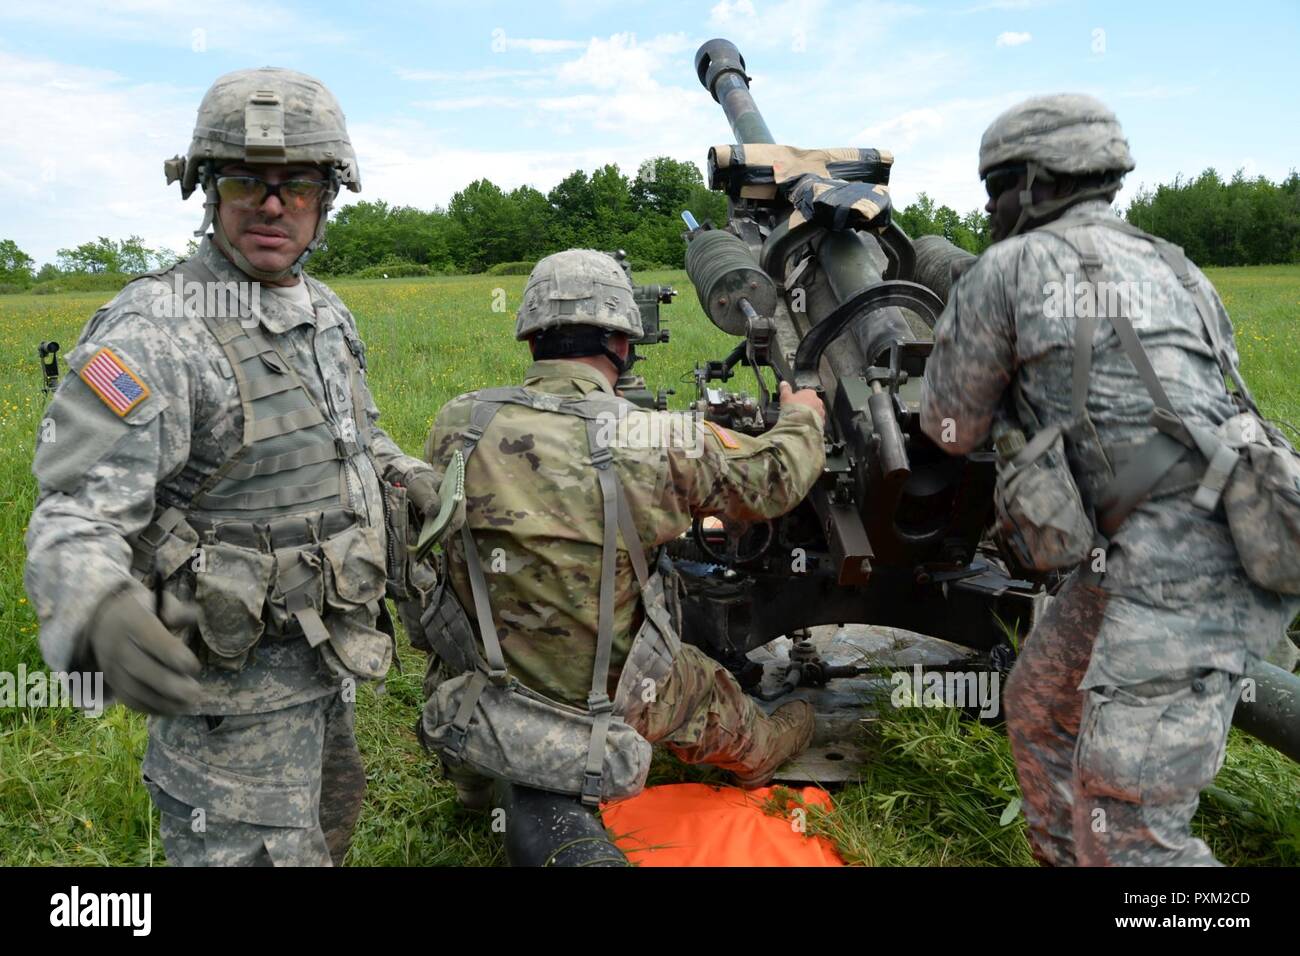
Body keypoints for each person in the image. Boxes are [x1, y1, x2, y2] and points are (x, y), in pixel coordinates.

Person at [24, 68, 440, 866]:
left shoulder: (324, 310)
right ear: (208, 191)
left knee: (328, 829)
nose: (273, 204)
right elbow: (75, 514)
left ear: (329, 197)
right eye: (248, 180)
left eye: (299, 185)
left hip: (328, 662)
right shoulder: (155, 331)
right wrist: (98, 609)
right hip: (226, 710)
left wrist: (408, 475)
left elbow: (354, 439)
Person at [919, 93, 1297, 866]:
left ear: (1029, 185)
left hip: (1180, 569)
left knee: (1131, 834)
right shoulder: (1173, 262)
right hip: (1206, 525)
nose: (991, 207)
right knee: (1041, 705)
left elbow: (951, 430)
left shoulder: (1010, 267)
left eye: (996, 189)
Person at [416, 249, 826, 809]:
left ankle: (478, 783)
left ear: (532, 340)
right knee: (705, 687)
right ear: (624, 344)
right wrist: (804, 414)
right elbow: (776, 480)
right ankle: (763, 755)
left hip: (483, 681)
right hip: (616, 693)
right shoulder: (658, 439)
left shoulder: (458, 422)